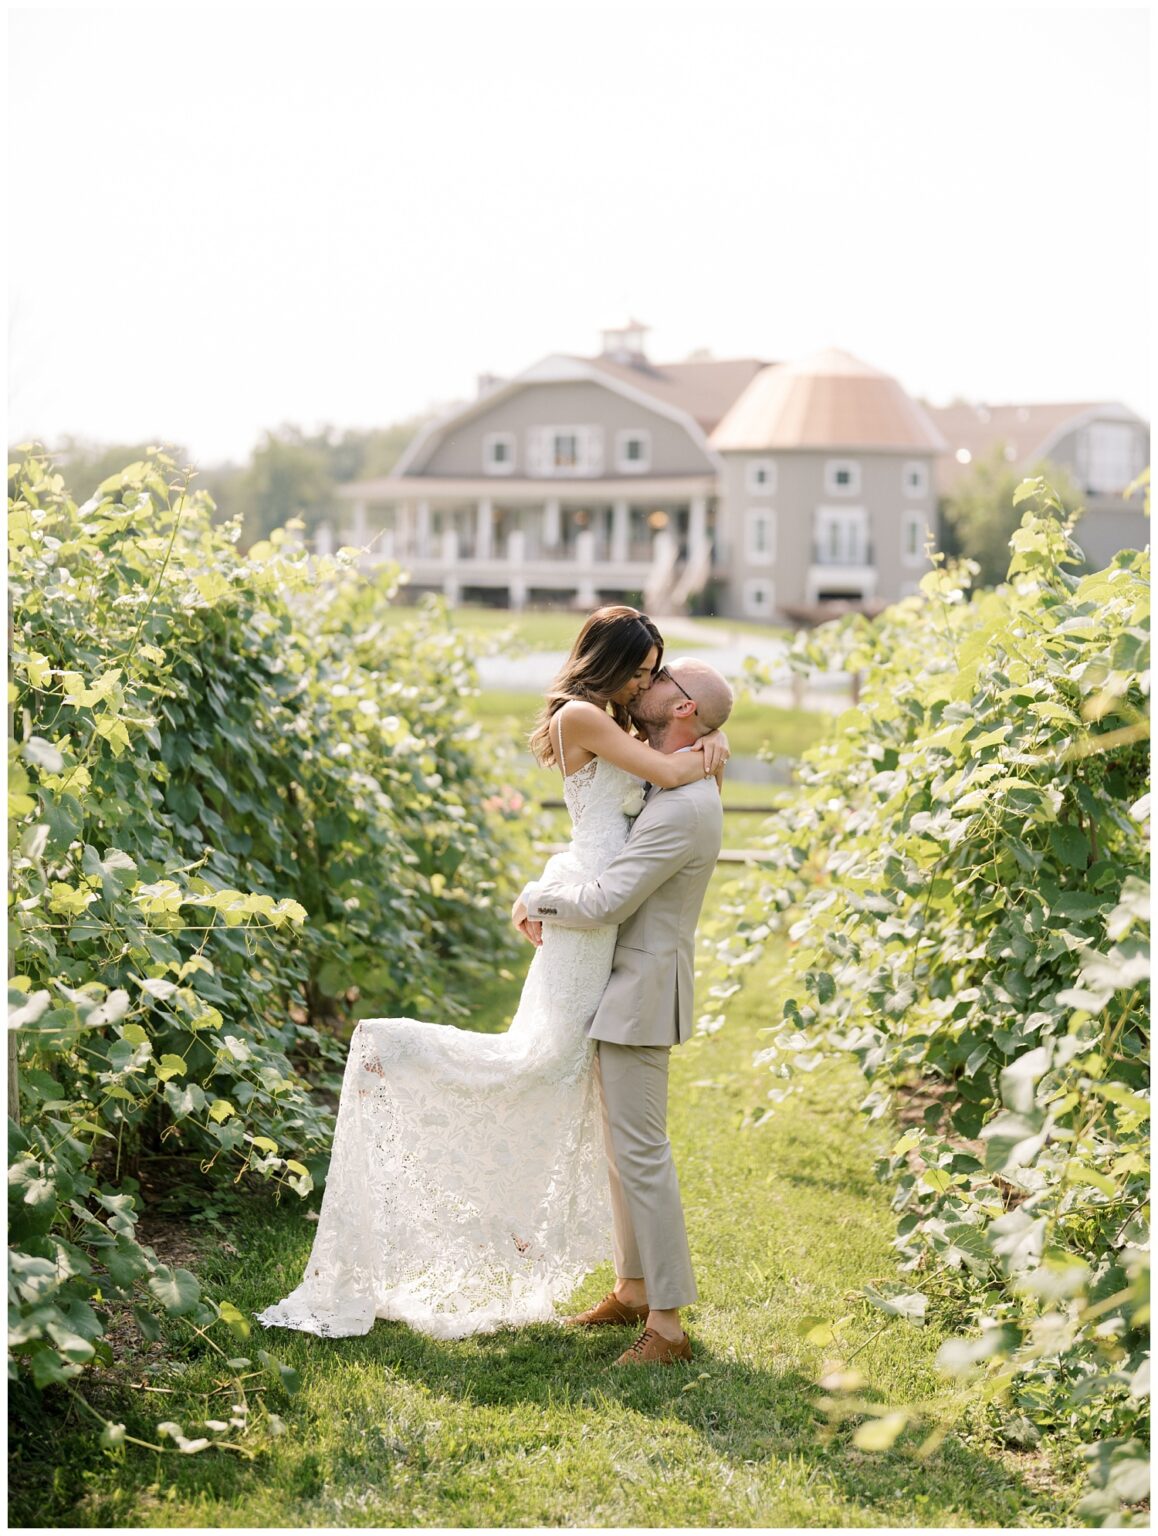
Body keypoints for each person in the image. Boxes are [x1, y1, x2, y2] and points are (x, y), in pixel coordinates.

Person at [255, 606, 729, 1340]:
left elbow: (662, 773)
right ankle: (396, 1051)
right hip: (589, 919)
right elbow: (666, 769)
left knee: (587, 1107)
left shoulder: (620, 729)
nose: (646, 686)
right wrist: (707, 743)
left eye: (655, 678)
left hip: (602, 927)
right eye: (640, 671)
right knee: (535, 1065)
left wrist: (704, 733)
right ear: (609, 663)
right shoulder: (584, 717)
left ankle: (645, 1299)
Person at [512, 655, 734, 1366]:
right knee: (621, 1154)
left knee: (642, 1155)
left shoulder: (684, 805)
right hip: (624, 982)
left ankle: (667, 1328)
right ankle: (633, 1288)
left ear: (683, 709)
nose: (647, 684)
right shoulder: (667, 782)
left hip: (642, 990)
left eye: (663, 680)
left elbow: (610, 901)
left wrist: (533, 899)